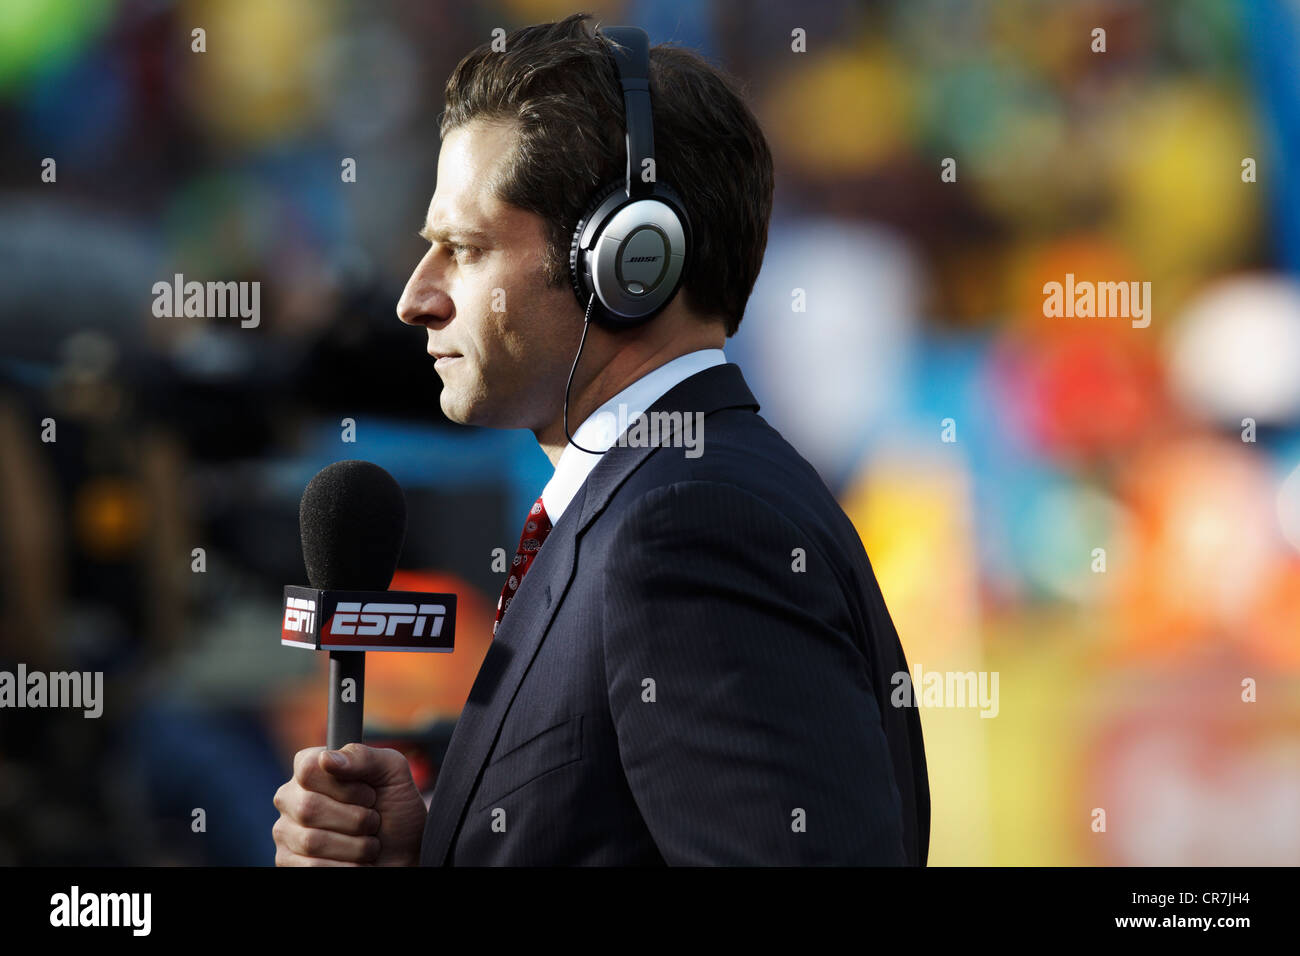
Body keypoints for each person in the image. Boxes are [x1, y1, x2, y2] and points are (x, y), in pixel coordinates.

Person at [272, 12, 929, 866]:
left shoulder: (690, 527)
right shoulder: (653, 504)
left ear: (627, 261)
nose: (415, 298)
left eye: (462, 249)